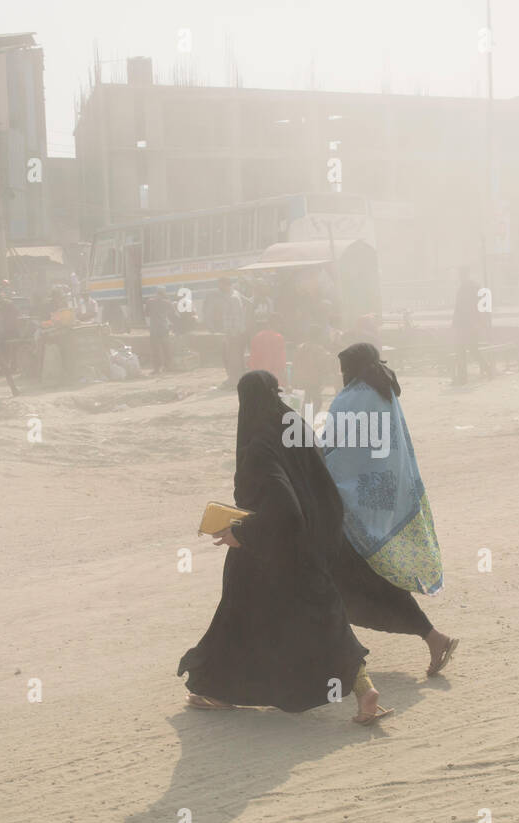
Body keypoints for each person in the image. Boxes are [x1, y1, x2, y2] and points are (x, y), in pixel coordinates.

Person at [178, 370, 391, 723]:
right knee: (323, 625)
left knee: (238, 615)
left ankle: (215, 689)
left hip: (269, 553)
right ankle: (365, 691)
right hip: (308, 546)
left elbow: (282, 506)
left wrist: (241, 533)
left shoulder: (259, 446)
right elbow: (317, 487)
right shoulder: (293, 426)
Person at [323, 343, 459, 677]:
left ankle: (344, 660)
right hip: (385, 496)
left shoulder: (351, 398)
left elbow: (336, 450)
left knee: (355, 580)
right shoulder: (383, 391)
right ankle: (431, 638)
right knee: (372, 575)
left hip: (355, 503)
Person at [452, 268, 492, 384]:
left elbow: (459, 308)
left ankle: (465, 377)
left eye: (461, 275)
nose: (460, 277)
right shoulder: (474, 287)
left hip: (466, 324)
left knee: (464, 350)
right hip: (468, 324)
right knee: (470, 350)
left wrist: (455, 324)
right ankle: (486, 370)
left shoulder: (467, 288)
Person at [145, 288, 177, 374]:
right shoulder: (167, 302)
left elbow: (147, 314)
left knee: (155, 349)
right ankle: (168, 367)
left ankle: (156, 368)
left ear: (156, 294)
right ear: (164, 295)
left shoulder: (150, 302)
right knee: (166, 348)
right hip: (164, 328)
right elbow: (174, 314)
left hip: (154, 328)